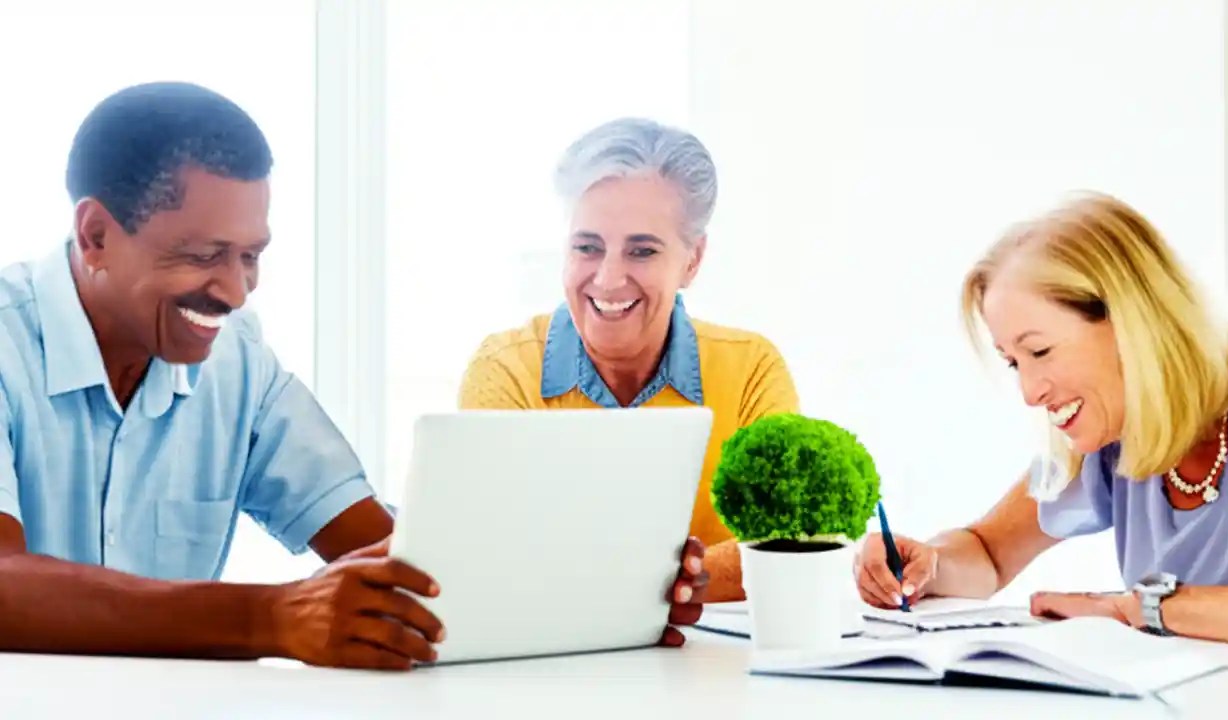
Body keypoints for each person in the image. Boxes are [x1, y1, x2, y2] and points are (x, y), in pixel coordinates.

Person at [0, 83, 704, 666]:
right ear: (95, 235)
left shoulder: (236, 360)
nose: (236, 291)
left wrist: (607, 586)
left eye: (250, 256)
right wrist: (269, 618)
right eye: (204, 255)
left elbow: (392, 551)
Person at [855, 191, 1228, 645]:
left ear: (1132, 321)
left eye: (1040, 351)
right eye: (1014, 362)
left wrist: (1138, 608)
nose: (1030, 393)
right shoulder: (1113, 432)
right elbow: (989, 552)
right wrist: (930, 564)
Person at [457, 117, 798, 603]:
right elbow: (490, 556)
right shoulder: (506, 371)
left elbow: (787, 546)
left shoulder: (751, 370)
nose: (609, 278)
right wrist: (677, 578)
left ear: (692, 261)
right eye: (587, 247)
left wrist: (650, 581)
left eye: (642, 251)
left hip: (712, 668)